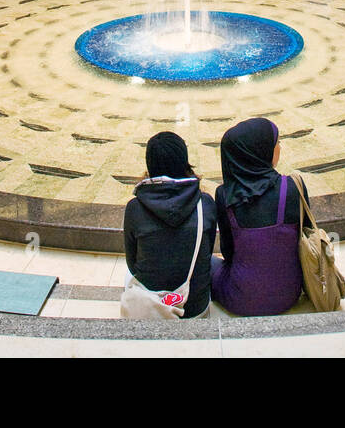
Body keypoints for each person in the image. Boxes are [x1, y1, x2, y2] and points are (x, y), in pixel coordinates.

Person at [210, 118, 306, 317]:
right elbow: (303, 238)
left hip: (239, 300)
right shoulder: (294, 187)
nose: (279, 147)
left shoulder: (224, 194)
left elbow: (228, 253)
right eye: (277, 142)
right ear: (261, 150)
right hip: (290, 294)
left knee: (208, 262)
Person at [122, 132, 216, 320]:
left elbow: (132, 264)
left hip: (153, 307)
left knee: (126, 276)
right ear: (185, 161)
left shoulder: (135, 208)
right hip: (195, 308)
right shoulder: (205, 203)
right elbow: (207, 248)